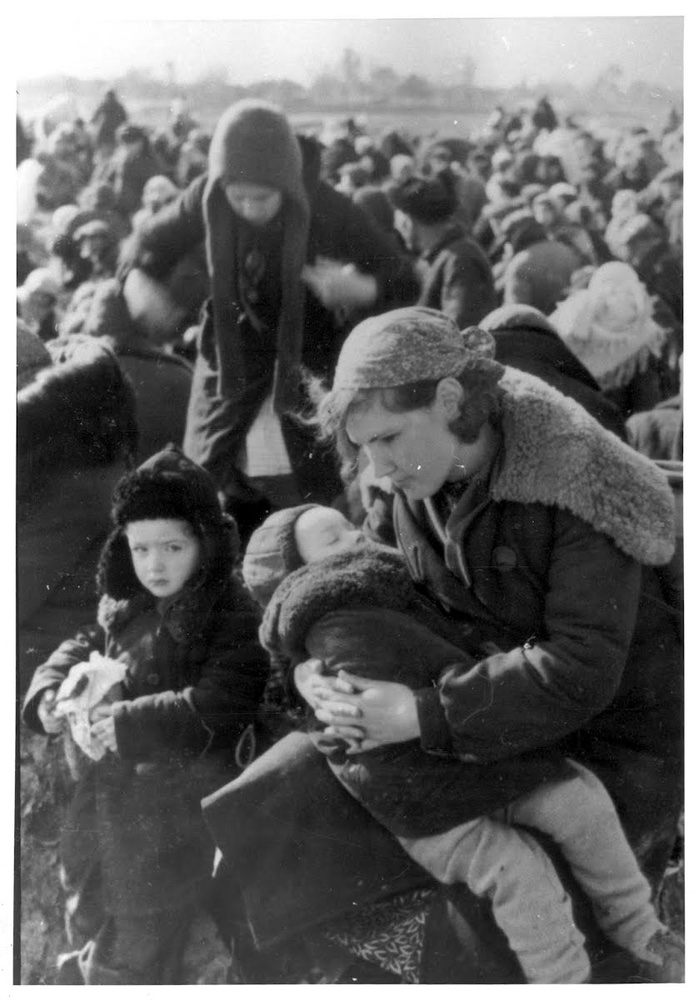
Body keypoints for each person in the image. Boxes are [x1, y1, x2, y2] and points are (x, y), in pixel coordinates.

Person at [296, 306, 682, 982]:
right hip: (497, 733)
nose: (377, 469)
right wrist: (315, 670)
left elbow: (581, 668)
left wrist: (421, 714)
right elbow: (369, 590)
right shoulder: (411, 476)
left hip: (616, 749)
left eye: (388, 438)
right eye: (364, 447)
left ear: (450, 399)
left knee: (521, 935)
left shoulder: (578, 477)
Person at [238, 502, 682, 984]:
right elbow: (398, 675)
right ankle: (564, 979)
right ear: (300, 581)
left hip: (469, 765)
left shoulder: (379, 588)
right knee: (517, 871)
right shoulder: (343, 621)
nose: (357, 537)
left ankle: (635, 924)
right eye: (334, 540)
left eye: (349, 526)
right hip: (428, 804)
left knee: (580, 800)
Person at [118, 99, 419, 542]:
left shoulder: (326, 205)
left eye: (262, 197)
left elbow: (403, 278)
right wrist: (137, 281)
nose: (248, 208)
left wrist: (361, 289)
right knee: (213, 497)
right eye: (237, 197)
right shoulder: (206, 195)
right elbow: (143, 249)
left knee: (317, 510)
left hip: (306, 369)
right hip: (228, 370)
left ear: (287, 184)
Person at [21, 445, 268, 984]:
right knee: (86, 888)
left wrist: (131, 722)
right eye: (140, 549)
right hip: (112, 793)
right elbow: (85, 641)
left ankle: (117, 977)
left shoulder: (230, 612)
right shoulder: (126, 604)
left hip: (182, 803)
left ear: (206, 541)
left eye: (173, 547)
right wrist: (49, 690)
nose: (154, 565)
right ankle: (99, 962)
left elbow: (224, 699)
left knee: (144, 918)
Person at [549, 261, 668, 420]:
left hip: (572, 416)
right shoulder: (643, 334)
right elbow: (646, 400)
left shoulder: (571, 316)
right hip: (616, 423)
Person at [388, 170, 497, 328]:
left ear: (408, 220)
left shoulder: (459, 259)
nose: (397, 226)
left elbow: (459, 328)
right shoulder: (447, 254)